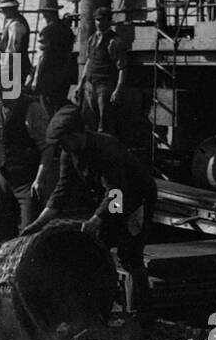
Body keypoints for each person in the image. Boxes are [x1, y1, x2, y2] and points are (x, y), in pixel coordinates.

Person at [20, 104, 157, 316]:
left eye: (63, 142)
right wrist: (39, 223)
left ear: (76, 134)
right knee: (95, 247)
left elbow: (117, 191)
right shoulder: (70, 154)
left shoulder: (107, 148)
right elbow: (62, 190)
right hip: (110, 198)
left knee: (129, 255)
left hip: (134, 199)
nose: (61, 148)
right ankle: (101, 307)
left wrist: (97, 219)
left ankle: (140, 316)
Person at [0, 75, 50, 244]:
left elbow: (47, 147)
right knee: (1, 230)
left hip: (28, 179)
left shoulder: (32, 109)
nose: (0, 100)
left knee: (29, 232)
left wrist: (40, 179)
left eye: (2, 95)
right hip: (4, 175)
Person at [78, 6, 127, 135]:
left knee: (104, 123)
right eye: (97, 20)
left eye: (103, 20)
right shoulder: (92, 39)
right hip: (90, 85)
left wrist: (118, 90)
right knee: (89, 122)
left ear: (109, 22)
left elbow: (122, 68)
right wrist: (80, 84)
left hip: (105, 86)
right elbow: (88, 61)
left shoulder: (114, 41)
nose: (99, 23)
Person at [29, 0, 76, 118]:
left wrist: (35, 80)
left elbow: (43, 57)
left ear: (46, 13)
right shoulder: (68, 31)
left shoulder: (47, 31)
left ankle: (49, 134)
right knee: (58, 108)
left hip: (48, 79)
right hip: (64, 77)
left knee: (47, 111)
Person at [0, 0, 32, 88]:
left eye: (4, 9)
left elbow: (13, 50)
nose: (3, 12)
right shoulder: (13, 22)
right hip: (18, 65)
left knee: (10, 95)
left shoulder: (16, 25)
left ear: (10, 9)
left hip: (15, 66)